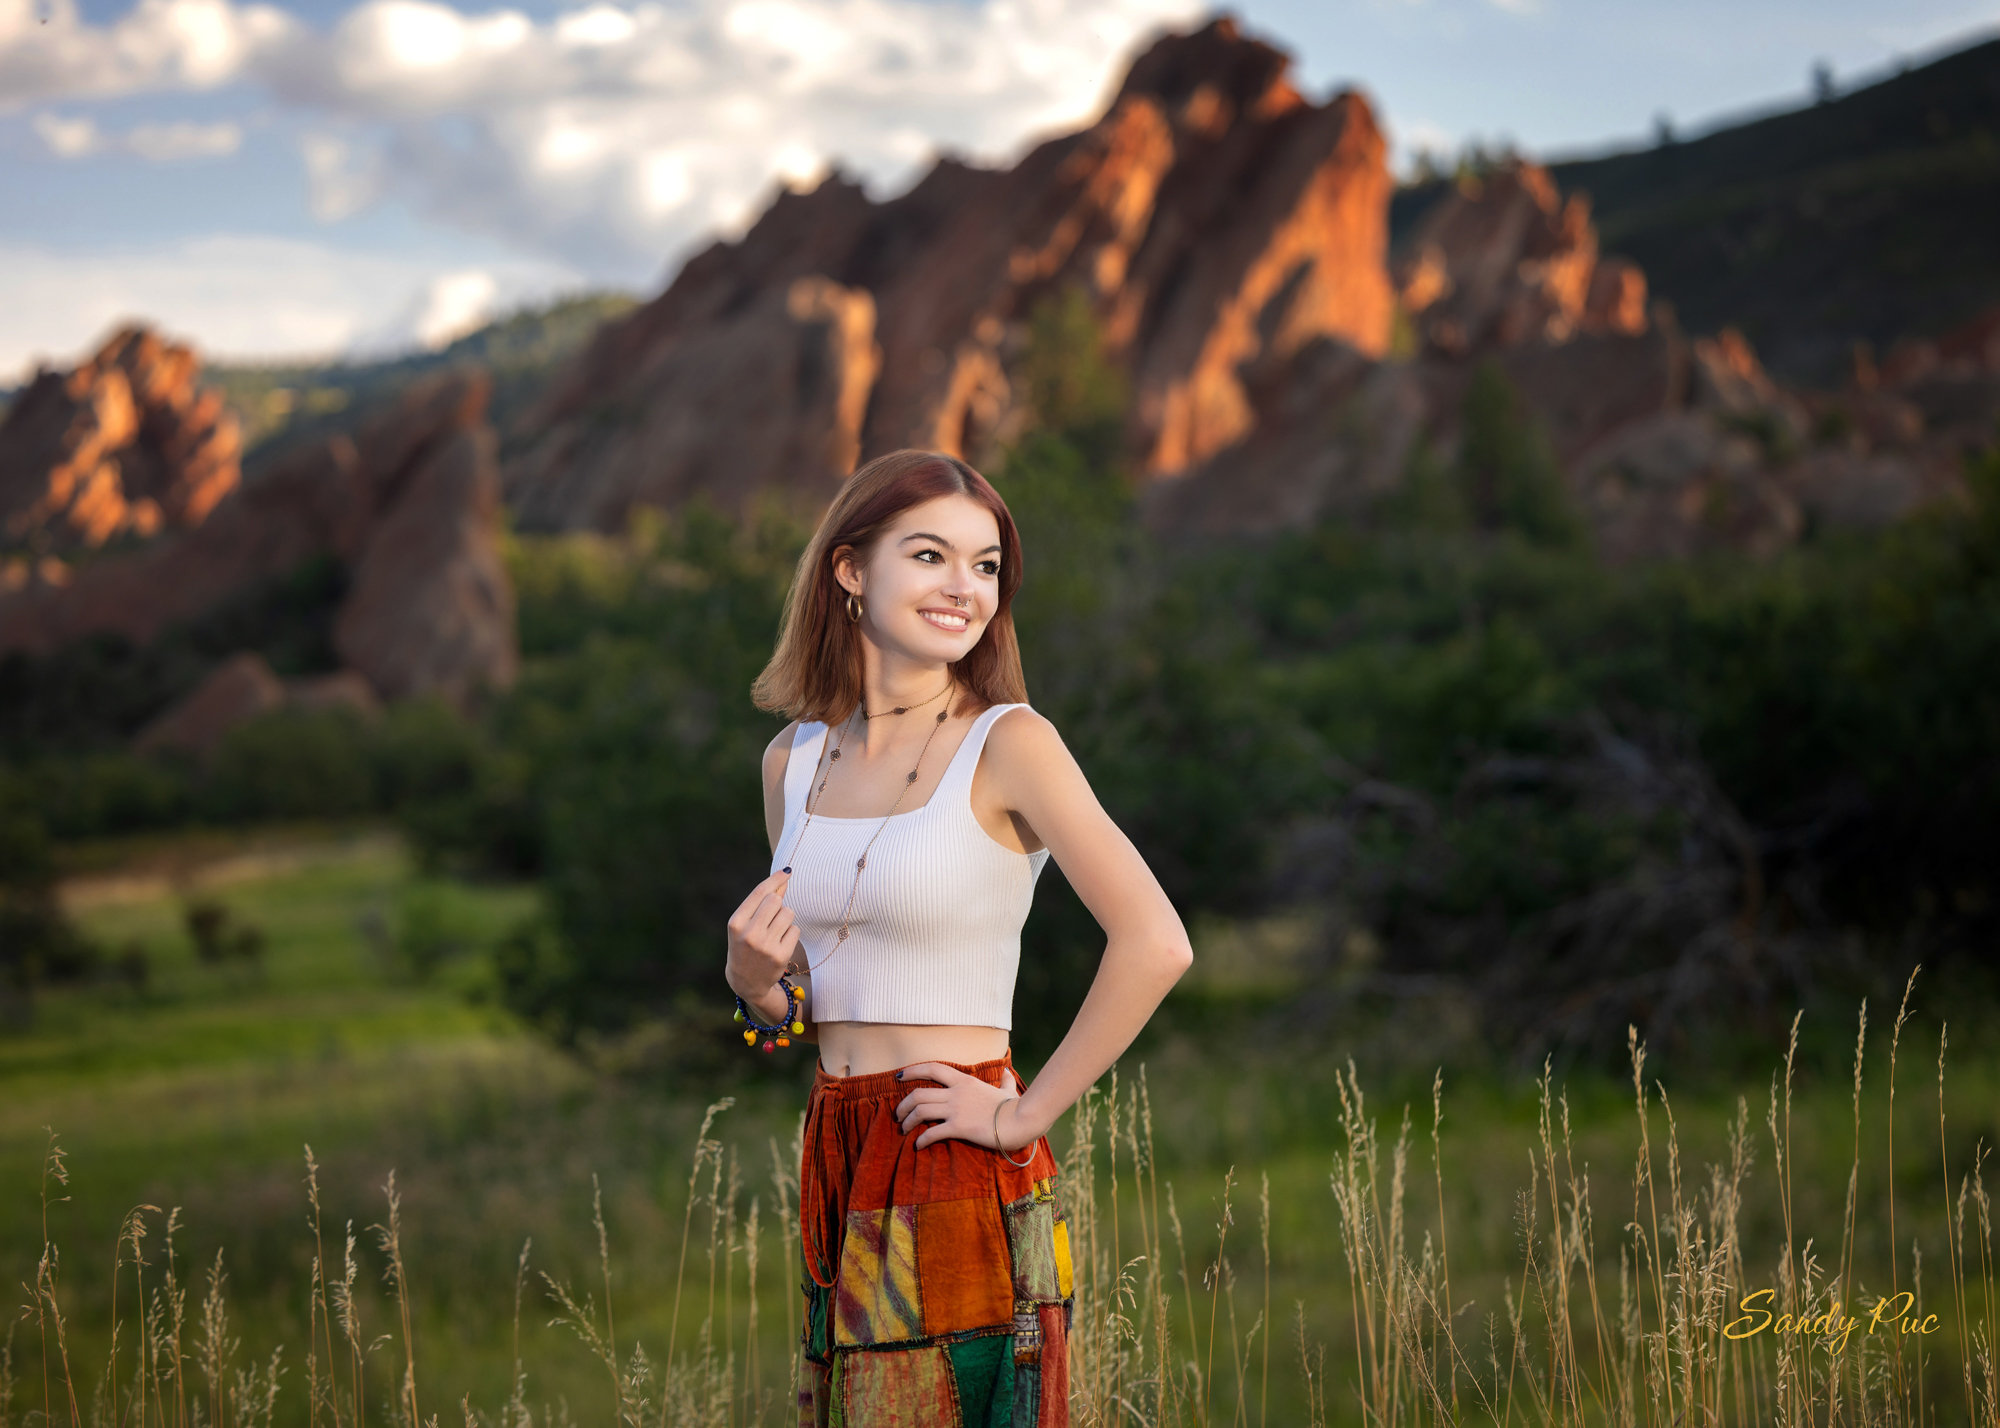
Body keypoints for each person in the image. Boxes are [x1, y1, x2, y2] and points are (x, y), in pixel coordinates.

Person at [726, 448, 1194, 1427]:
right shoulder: (792, 760)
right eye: (931, 555)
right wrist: (758, 991)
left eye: (985, 567)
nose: (963, 589)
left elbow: (1156, 941)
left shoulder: (1010, 743)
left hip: (953, 1145)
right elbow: (813, 1004)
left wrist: (1022, 1116)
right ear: (848, 570)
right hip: (838, 1142)